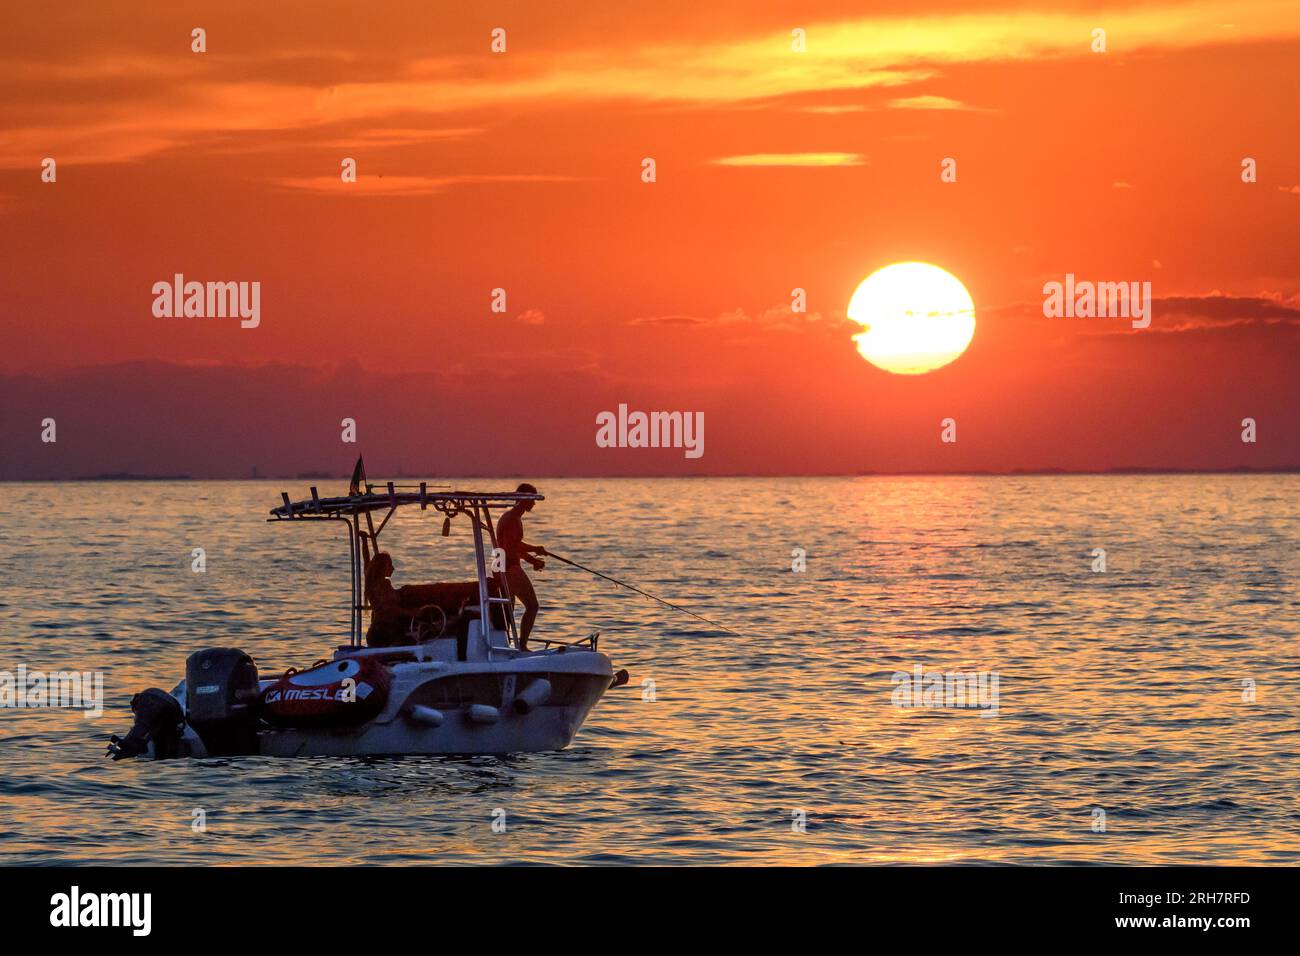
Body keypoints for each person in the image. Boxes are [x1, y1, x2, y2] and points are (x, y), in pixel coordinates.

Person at [495, 483, 546, 649]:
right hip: (509, 567)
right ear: (523, 499)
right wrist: (533, 556)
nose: (534, 504)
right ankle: (522, 645)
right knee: (532, 606)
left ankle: (508, 645)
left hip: (502, 566)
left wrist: (533, 554)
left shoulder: (513, 517)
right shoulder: (511, 519)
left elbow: (515, 545)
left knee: (508, 610)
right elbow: (512, 547)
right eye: (532, 499)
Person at [364, 552, 451, 647]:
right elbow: (389, 608)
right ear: (382, 567)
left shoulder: (373, 585)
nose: (393, 568)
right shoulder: (381, 586)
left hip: (382, 631)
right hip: (385, 634)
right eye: (390, 565)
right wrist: (412, 613)